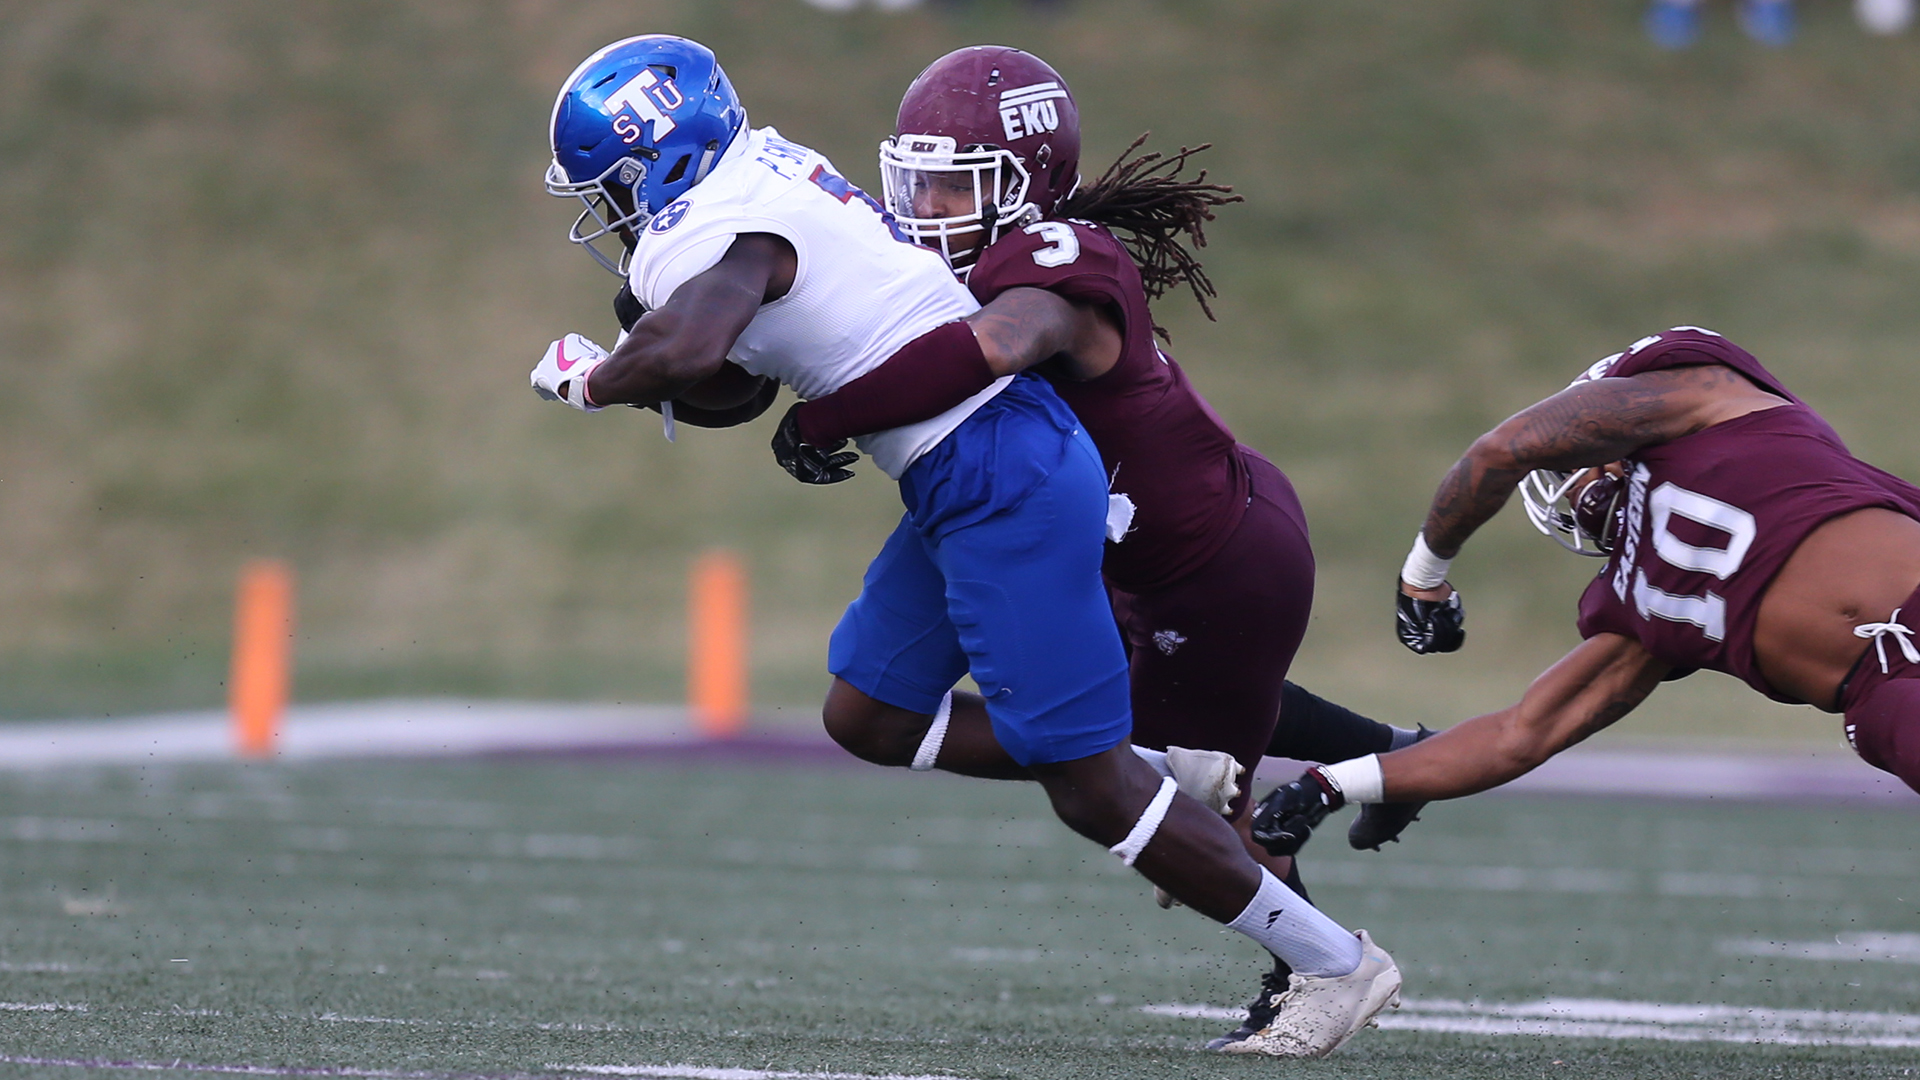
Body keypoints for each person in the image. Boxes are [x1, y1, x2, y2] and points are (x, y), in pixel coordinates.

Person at [528, 35, 1397, 1058]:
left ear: (656, 159)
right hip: (966, 470)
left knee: (1089, 790)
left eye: (611, 185)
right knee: (869, 713)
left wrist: (592, 379)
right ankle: (1169, 765)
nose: (610, 211)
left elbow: (696, 350)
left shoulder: (721, 228)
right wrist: (666, 357)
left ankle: (1336, 963)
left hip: (1002, 475)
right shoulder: (756, 174)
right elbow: (737, 384)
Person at [768, 45, 1416, 1054]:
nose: (927, 204)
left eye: (954, 182)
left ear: (1027, 185)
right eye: (917, 178)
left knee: (1159, 806)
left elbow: (987, 348)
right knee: (885, 715)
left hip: (1205, 562)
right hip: (1081, 534)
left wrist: (825, 419)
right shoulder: (956, 258)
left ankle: (1321, 968)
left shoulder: (1059, 263)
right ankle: (1376, 755)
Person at [1249, 326, 1920, 858]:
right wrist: (1330, 784)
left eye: (1572, 467)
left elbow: (1502, 451)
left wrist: (1423, 574)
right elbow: (1519, 734)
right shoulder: (1636, 608)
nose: (1569, 486)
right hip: (1884, 694)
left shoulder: (1710, 398)